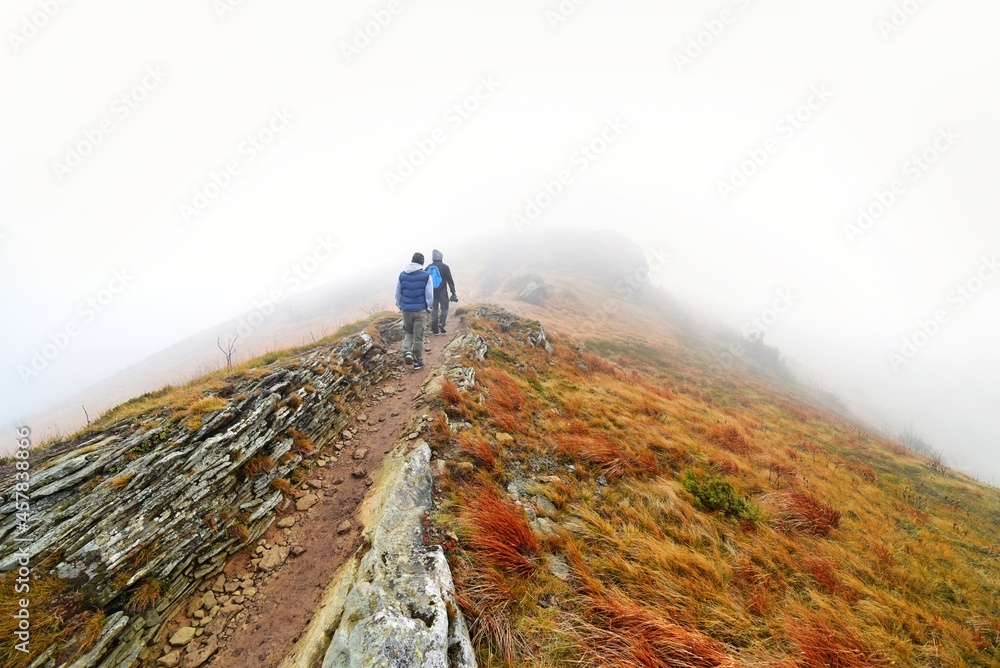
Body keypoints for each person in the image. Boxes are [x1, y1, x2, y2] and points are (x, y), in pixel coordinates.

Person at [395, 252, 433, 370]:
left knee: (408, 332)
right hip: (420, 310)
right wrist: (429, 308)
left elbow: (397, 293)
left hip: (406, 310)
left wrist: (400, 305)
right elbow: (429, 295)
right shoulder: (426, 276)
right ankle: (417, 362)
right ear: (422, 263)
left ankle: (407, 352)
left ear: (412, 260)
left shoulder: (402, 275)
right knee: (418, 337)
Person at [428, 249, 458, 335]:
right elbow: (450, 281)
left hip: (432, 293)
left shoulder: (428, 267)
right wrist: (453, 292)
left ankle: (435, 330)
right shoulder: (445, 267)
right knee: (444, 308)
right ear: (441, 257)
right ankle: (441, 323)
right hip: (442, 293)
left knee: (434, 310)